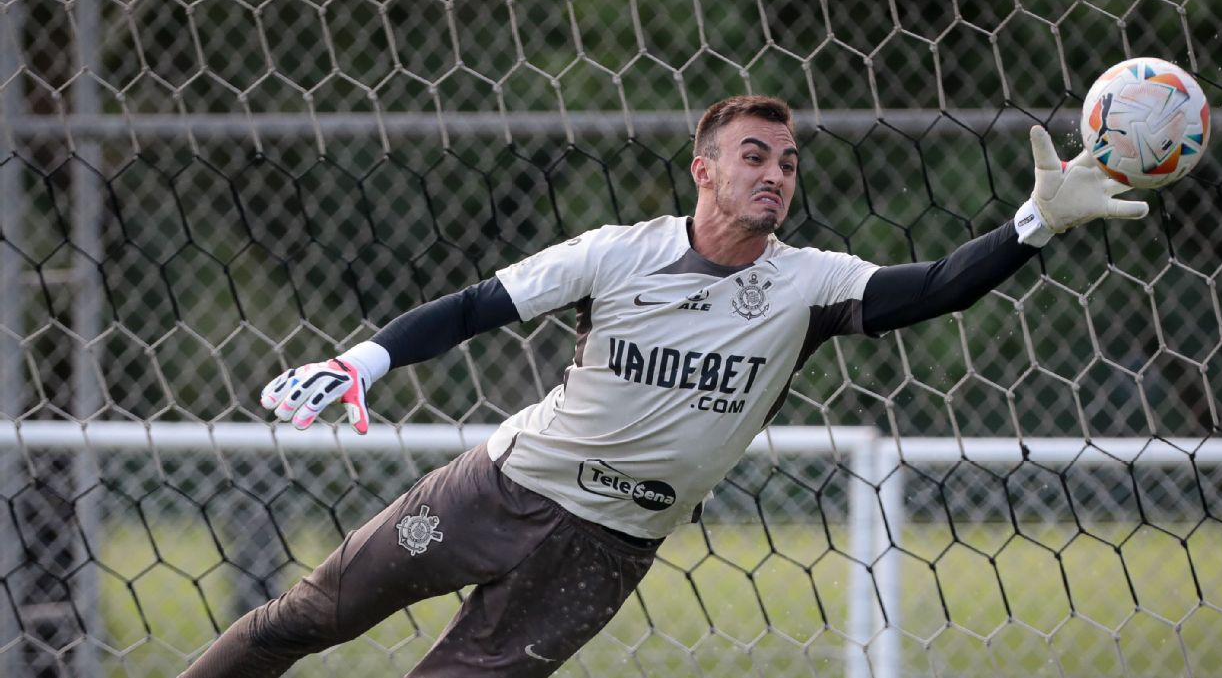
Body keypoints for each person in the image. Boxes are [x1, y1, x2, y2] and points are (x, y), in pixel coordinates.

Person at [180, 95, 1145, 677]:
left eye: (789, 162)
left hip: (606, 548)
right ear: (702, 170)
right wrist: (363, 360)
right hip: (498, 489)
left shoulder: (810, 284)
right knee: (306, 617)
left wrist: (1037, 223)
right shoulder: (616, 253)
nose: (776, 174)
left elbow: (936, 288)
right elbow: (477, 305)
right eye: (754, 156)